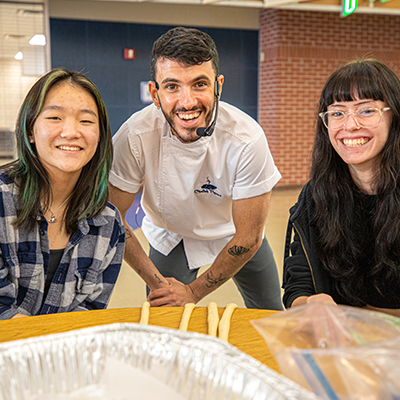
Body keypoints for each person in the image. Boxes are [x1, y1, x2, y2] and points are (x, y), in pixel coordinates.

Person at [109, 27, 283, 309]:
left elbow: (248, 237)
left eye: (200, 84)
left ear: (219, 86)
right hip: (171, 234)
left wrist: (193, 292)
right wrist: (157, 284)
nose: (187, 102)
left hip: (234, 232)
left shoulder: (246, 139)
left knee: (270, 312)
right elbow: (113, 220)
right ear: (154, 93)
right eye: (172, 86)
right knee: (164, 323)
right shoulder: (135, 136)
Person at [0, 68, 125, 320]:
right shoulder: (2, 199)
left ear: (99, 136)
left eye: (86, 121)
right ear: (30, 131)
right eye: (55, 118)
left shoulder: (108, 223)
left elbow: (88, 316)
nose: (71, 132)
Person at [283, 59, 400, 317]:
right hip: (341, 341)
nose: (350, 125)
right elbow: (297, 285)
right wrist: (310, 303)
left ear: (394, 116)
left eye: (366, 111)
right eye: (337, 113)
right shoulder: (316, 195)